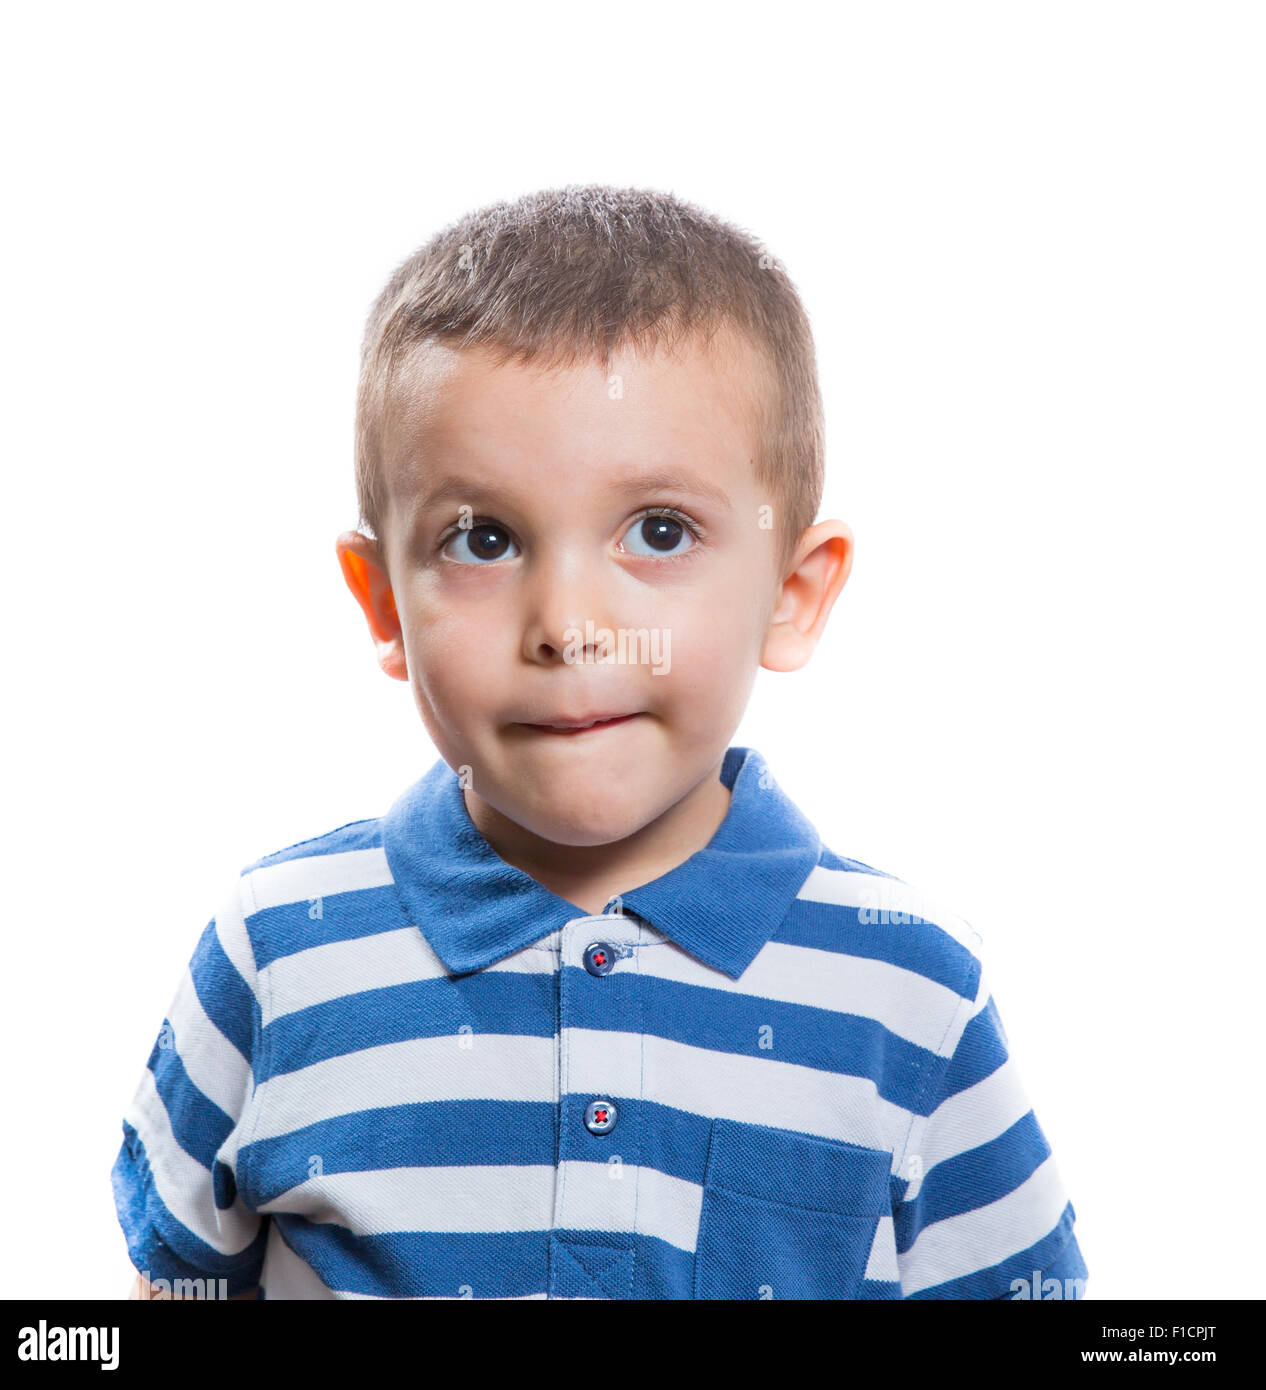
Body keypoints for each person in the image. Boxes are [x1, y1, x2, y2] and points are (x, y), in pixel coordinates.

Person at [112, 184, 1087, 1300]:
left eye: (658, 531)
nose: (568, 624)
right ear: (381, 601)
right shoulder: (275, 954)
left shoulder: (909, 991)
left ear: (791, 592)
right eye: (481, 539)